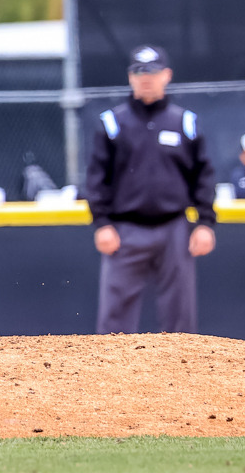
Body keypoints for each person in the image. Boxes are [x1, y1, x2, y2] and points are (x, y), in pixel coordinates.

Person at [85, 45, 216, 335]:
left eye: (153, 71)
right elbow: (96, 178)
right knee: (114, 316)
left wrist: (205, 223)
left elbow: (203, 175)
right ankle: (110, 374)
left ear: (166, 75)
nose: (146, 78)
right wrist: (102, 223)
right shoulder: (112, 123)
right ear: (130, 77)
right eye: (138, 72)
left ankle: (181, 374)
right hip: (125, 229)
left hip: (175, 228)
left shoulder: (186, 122)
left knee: (180, 314)